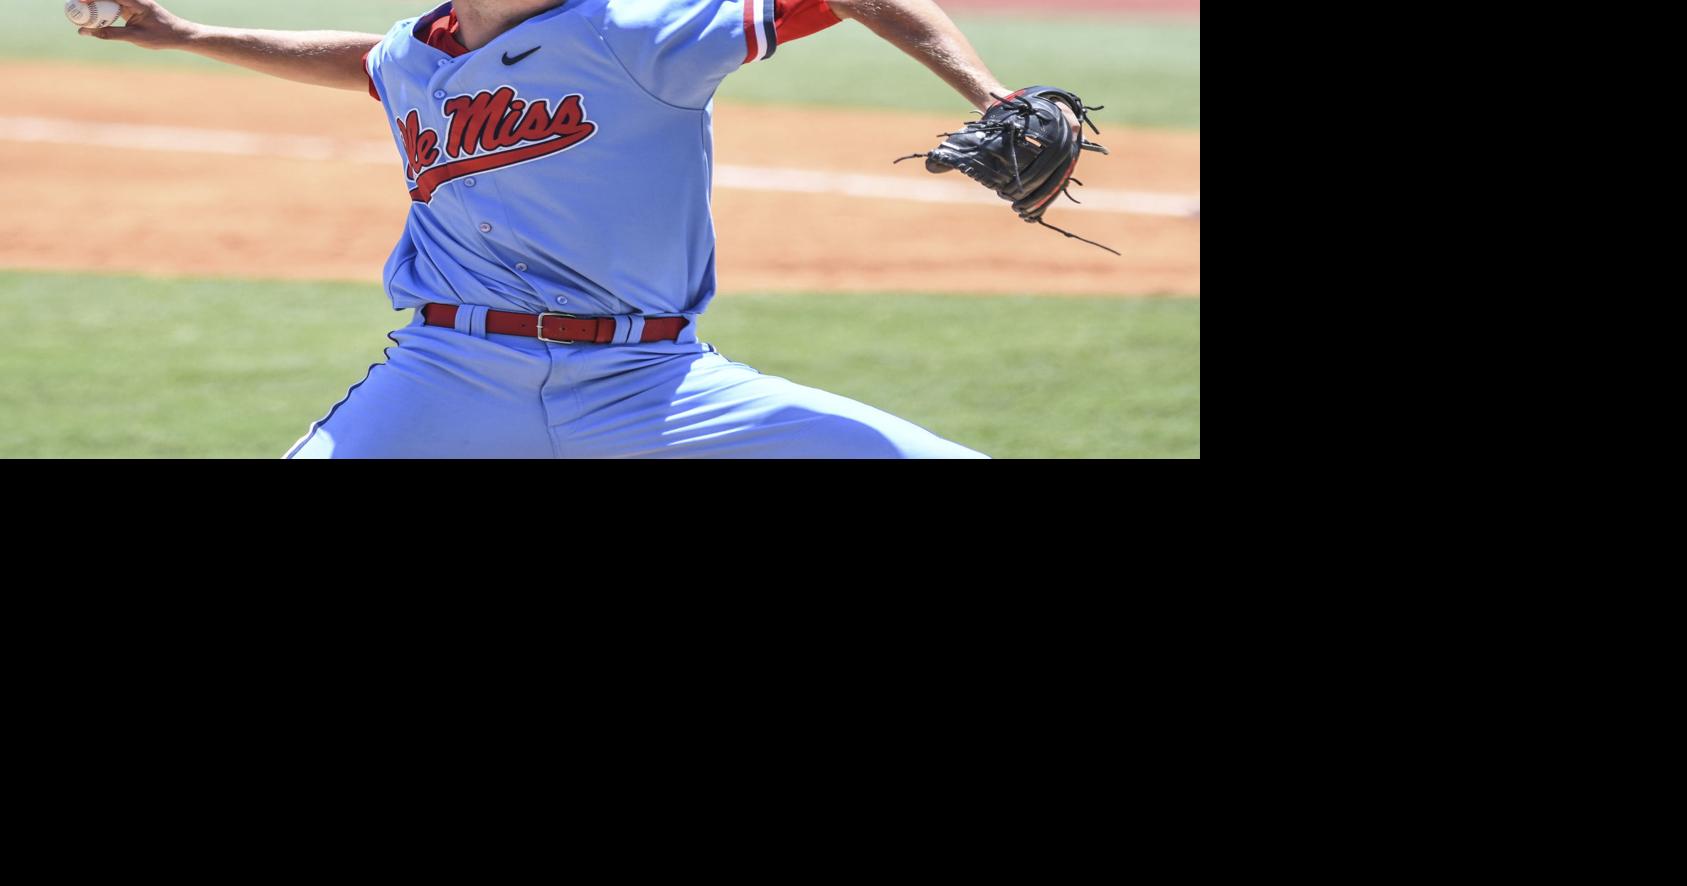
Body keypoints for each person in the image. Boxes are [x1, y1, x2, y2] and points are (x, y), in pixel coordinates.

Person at [78, 0, 1009, 458]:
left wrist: (991, 95)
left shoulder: (637, 29)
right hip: (445, 375)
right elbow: (366, 61)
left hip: (656, 385)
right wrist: (185, 33)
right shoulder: (416, 50)